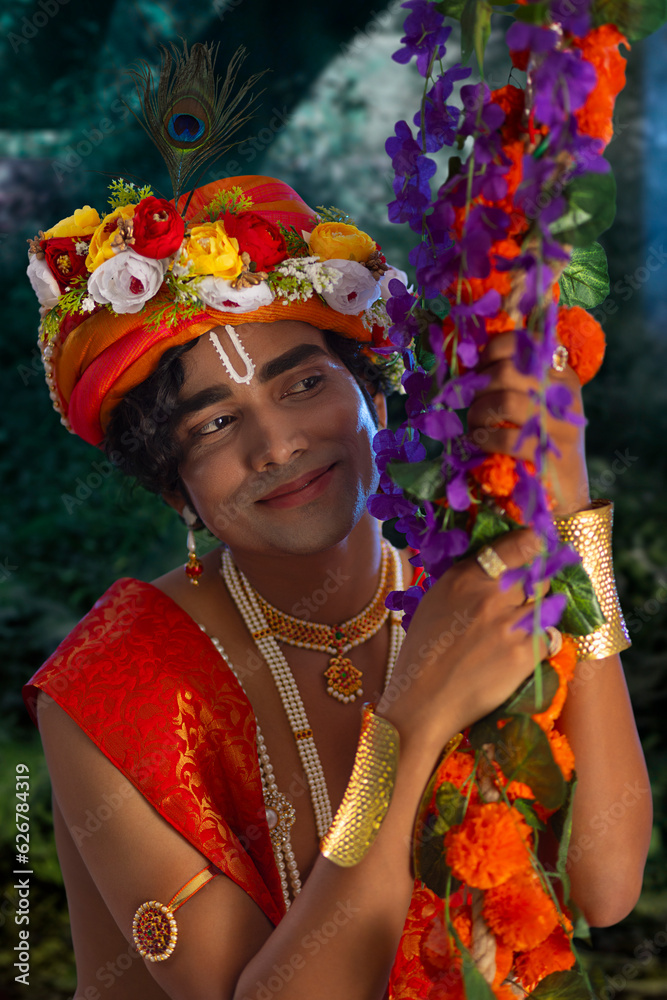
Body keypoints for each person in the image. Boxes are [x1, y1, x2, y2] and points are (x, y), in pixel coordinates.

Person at [24, 167, 651, 1000]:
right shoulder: (107, 685)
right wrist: (410, 721)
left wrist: (569, 528)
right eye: (214, 423)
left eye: (305, 384)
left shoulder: (463, 581)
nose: (277, 444)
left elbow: (602, 886)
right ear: (174, 486)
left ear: (376, 401)